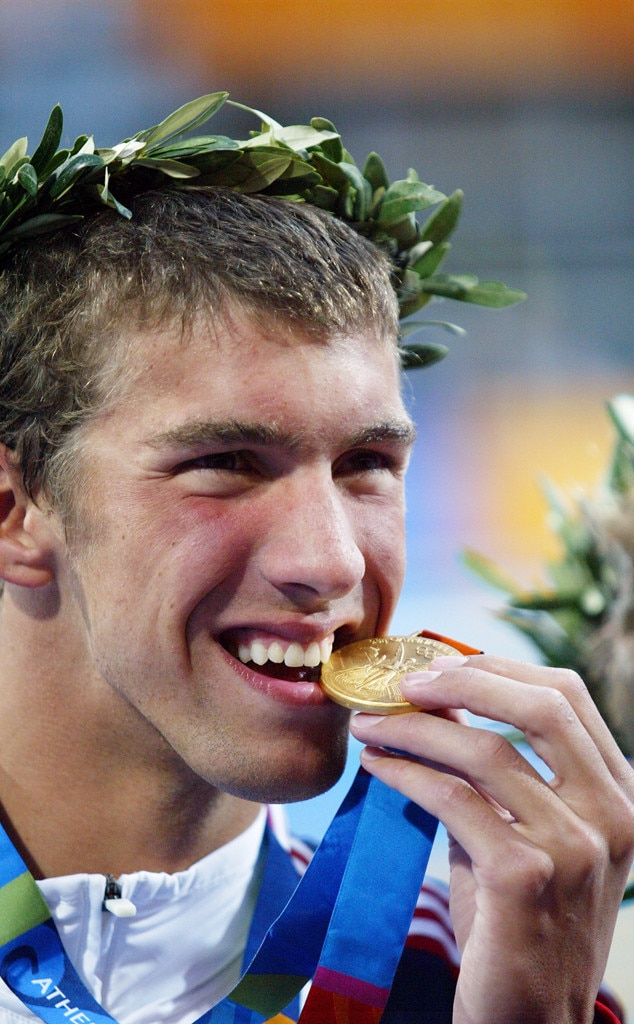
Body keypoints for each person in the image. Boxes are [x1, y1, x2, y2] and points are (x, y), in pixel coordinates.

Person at [0, 93, 632, 1024]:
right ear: (14, 512)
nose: (332, 562)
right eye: (225, 464)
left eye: (368, 464)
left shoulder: (478, 977)